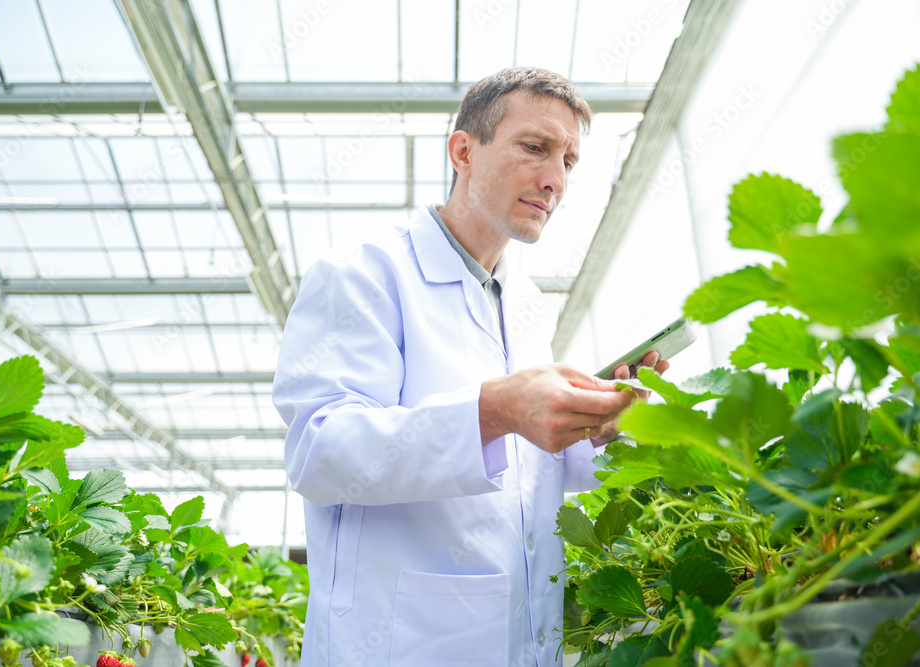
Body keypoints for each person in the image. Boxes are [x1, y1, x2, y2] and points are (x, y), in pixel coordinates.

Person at [273, 66, 669, 667]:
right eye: (535, 148)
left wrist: (597, 424)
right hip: (400, 644)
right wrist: (495, 409)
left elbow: (528, 477)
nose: (554, 179)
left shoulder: (524, 304)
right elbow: (322, 452)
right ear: (463, 150)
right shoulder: (365, 275)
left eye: (568, 161)